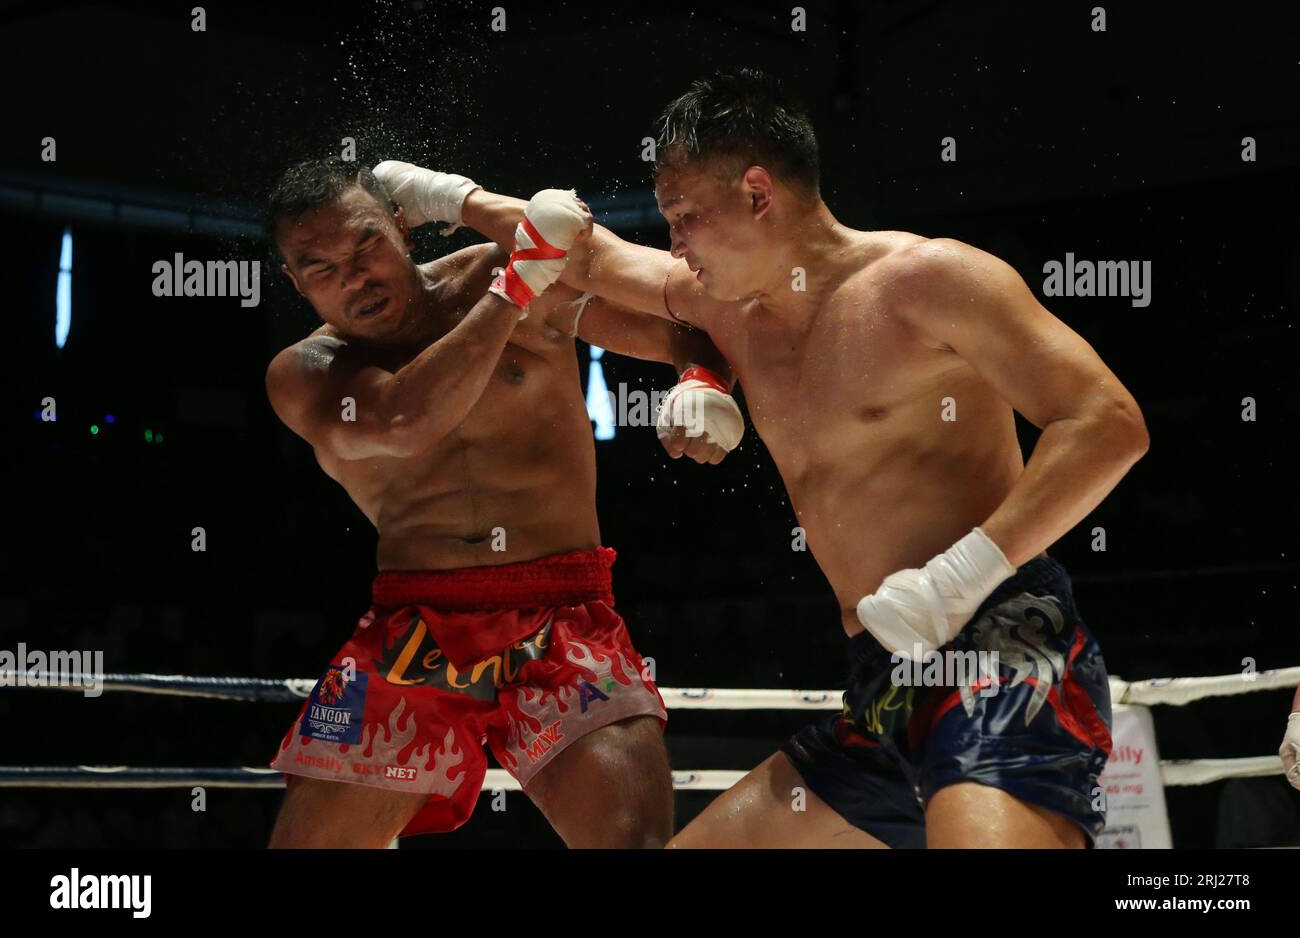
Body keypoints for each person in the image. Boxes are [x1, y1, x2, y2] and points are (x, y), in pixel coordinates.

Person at [410, 66, 1150, 848]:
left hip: (1001, 648)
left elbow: (1106, 422)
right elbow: (582, 256)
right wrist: (441, 196)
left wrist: (963, 573)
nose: (676, 241)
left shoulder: (928, 279)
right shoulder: (727, 309)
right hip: (881, 683)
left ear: (759, 193)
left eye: (687, 215)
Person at [261, 159, 743, 847]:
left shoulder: (496, 271)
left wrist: (702, 380)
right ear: (292, 281)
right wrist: (518, 284)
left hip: (563, 612)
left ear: (402, 222)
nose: (355, 277)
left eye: (365, 243)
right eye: (320, 267)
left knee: (631, 842)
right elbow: (405, 419)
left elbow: (679, 309)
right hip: (413, 632)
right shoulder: (305, 373)